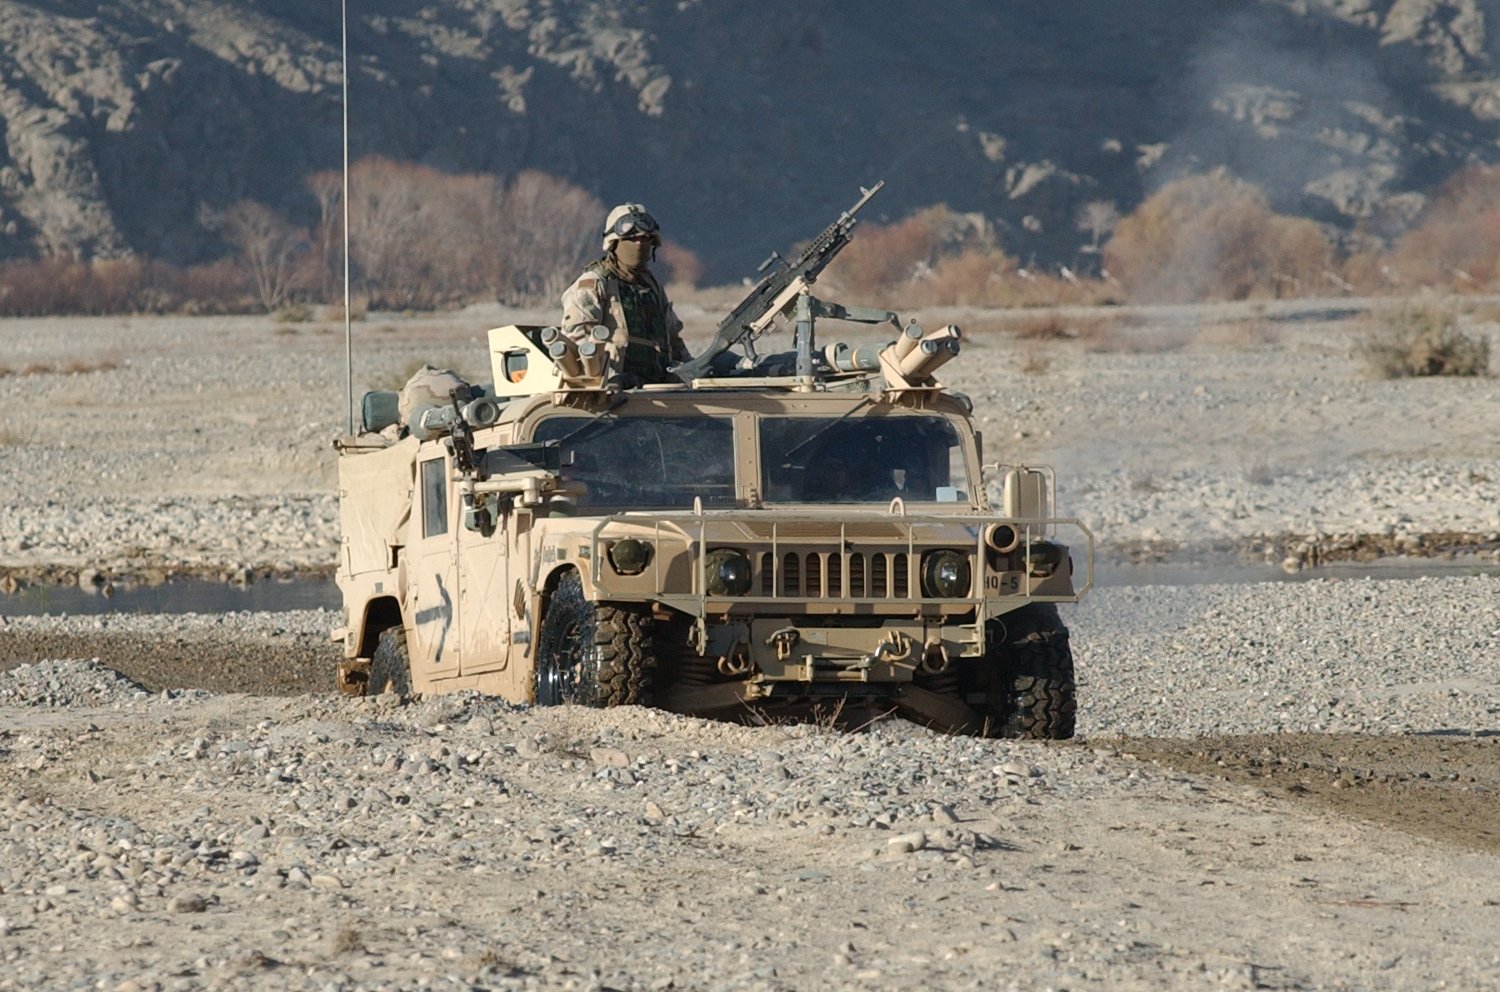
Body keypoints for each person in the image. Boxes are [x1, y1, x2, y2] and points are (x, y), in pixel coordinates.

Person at [560, 203, 691, 386]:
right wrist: (610, 376)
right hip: (614, 393)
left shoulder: (651, 285)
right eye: (632, 239)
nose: (639, 244)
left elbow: (673, 339)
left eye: (645, 239)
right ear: (613, 243)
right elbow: (578, 342)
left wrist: (692, 370)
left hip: (659, 388)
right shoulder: (594, 284)